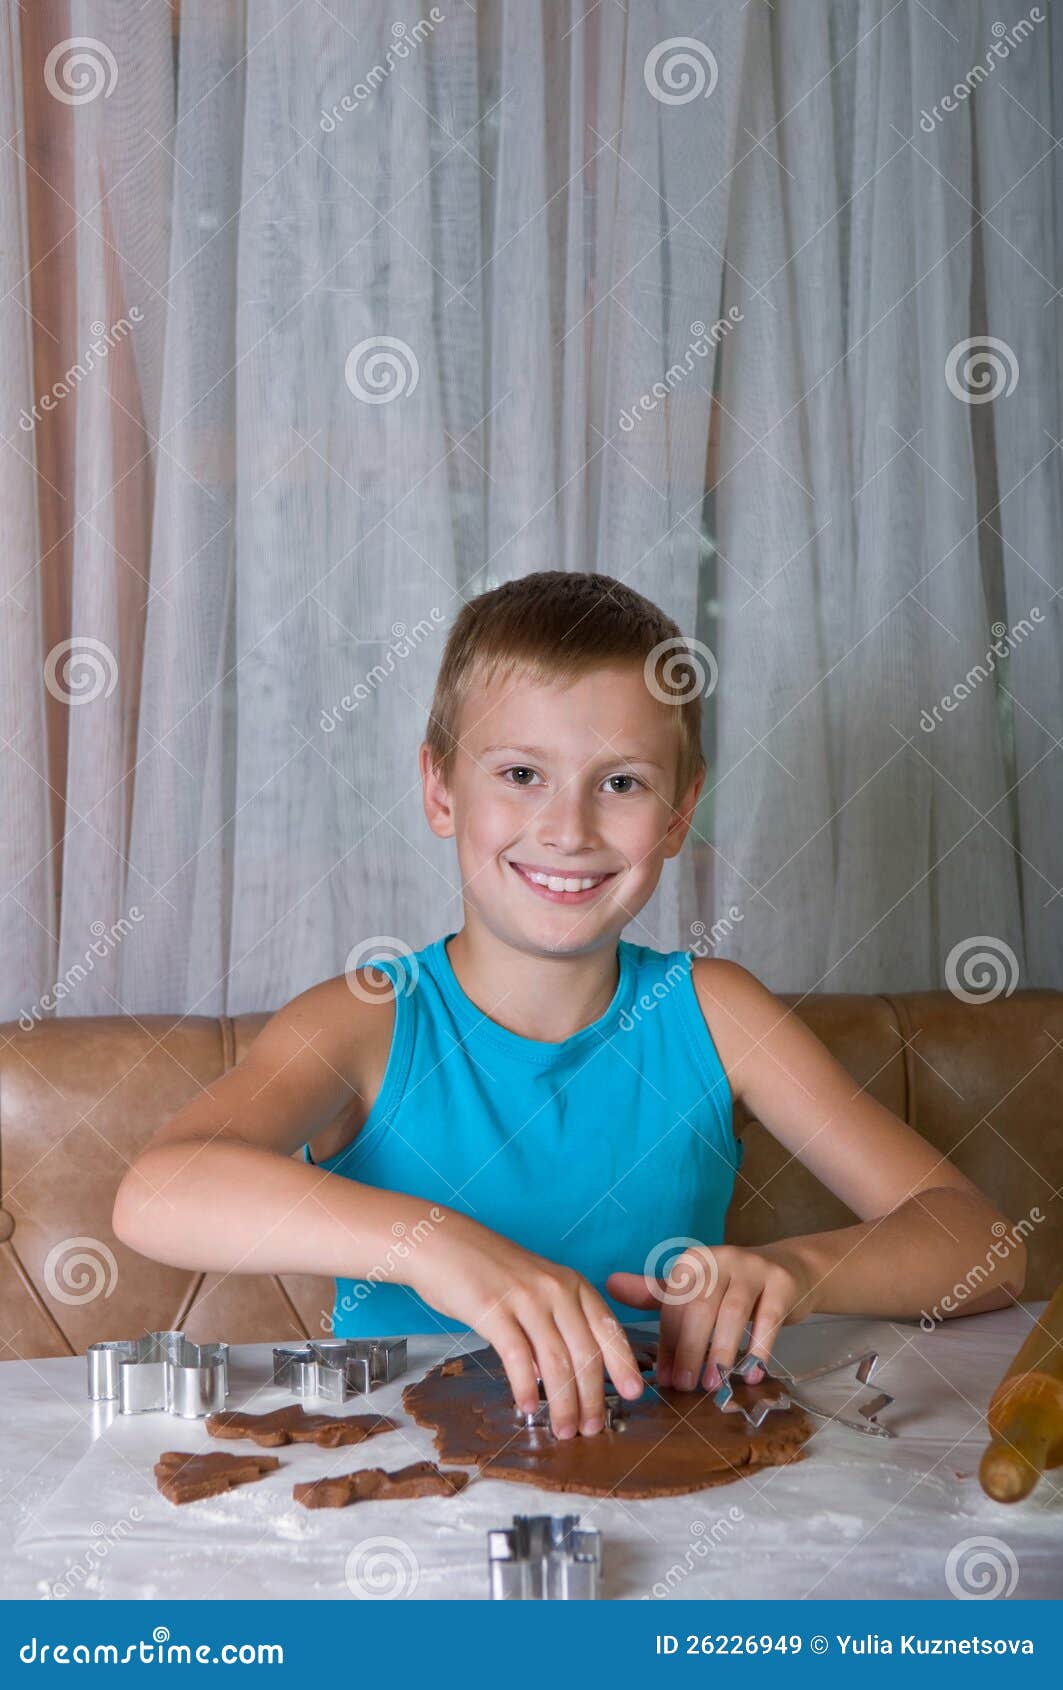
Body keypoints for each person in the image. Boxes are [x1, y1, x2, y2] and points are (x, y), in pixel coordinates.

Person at [113, 571, 1025, 1440]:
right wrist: (440, 1246)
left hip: (657, 1457)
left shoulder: (712, 1010)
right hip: (393, 1469)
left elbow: (986, 1247)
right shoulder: (365, 1018)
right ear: (439, 788)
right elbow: (157, 1194)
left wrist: (798, 1270)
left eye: (620, 783)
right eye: (520, 774)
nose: (568, 828)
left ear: (677, 814)